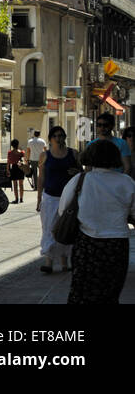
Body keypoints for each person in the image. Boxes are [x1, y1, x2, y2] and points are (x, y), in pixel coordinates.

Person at [58, 139, 135, 304]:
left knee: (82, 291)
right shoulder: (126, 182)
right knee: (110, 292)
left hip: (87, 244)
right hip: (117, 245)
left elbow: (63, 209)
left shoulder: (79, 180)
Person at [36, 126, 80, 274]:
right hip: (50, 197)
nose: (59, 138)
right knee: (49, 228)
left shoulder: (73, 154)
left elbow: (83, 173)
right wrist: (38, 198)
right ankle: (48, 261)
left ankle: (64, 261)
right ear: (50, 139)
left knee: (67, 229)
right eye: (56, 136)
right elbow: (41, 177)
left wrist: (77, 172)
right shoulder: (45, 155)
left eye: (62, 135)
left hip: (69, 198)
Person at [7, 139, 27, 204]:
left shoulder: (10, 153)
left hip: (14, 168)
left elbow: (8, 162)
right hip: (20, 168)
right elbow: (25, 161)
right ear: (18, 144)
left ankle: (16, 199)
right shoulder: (22, 152)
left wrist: (8, 170)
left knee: (15, 185)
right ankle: (21, 198)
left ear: (12, 145)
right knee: (21, 184)